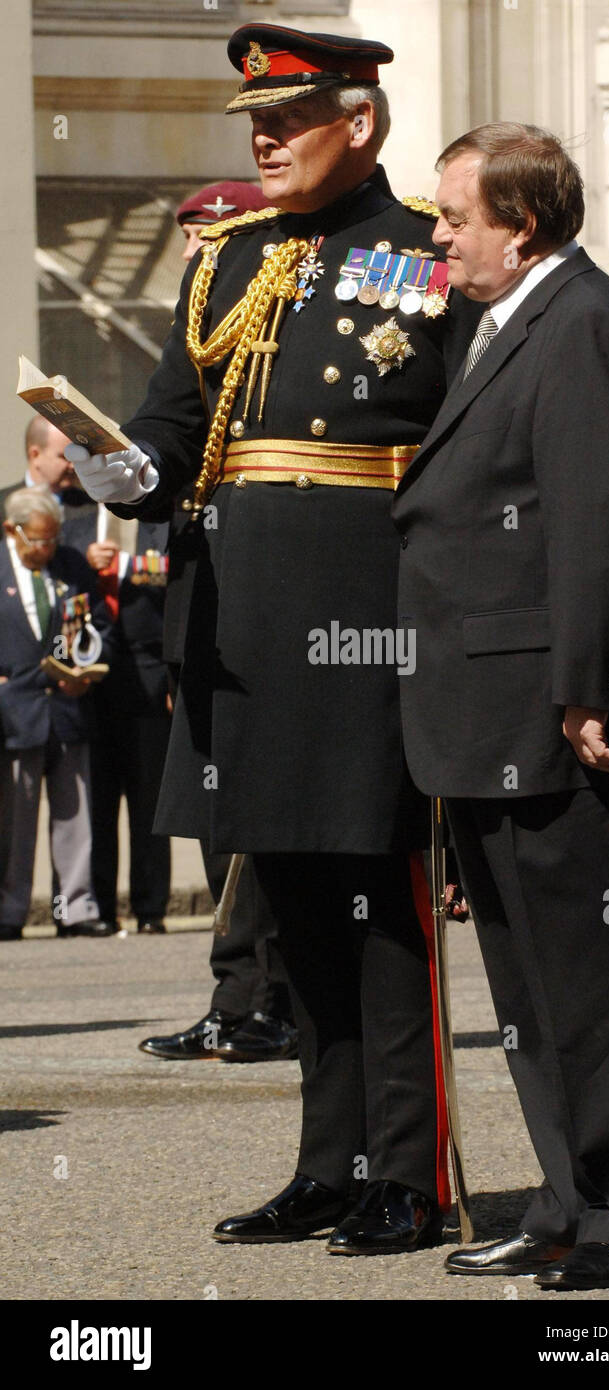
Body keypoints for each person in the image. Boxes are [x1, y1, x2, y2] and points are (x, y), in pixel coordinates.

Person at [65, 23, 478, 1254]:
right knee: (297, 909)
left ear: (358, 122)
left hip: (365, 615)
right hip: (240, 617)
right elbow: (172, 427)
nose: (263, 136)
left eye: (289, 118)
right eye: (255, 118)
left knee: (385, 904)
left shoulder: (426, 253)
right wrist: (126, 466)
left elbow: (463, 450)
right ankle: (329, 1164)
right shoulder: (229, 258)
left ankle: (411, 1172)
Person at [393, 123, 609, 1289]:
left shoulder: (589, 328)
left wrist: (585, 689)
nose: (436, 236)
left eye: (455, 218)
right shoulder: (512, 322)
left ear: (520, 226)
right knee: (528, 988)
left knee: (594, 985)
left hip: (562, 719)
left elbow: (597, 525)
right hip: (491, 713)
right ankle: (567, 1199)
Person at [139, 176, 298, 1058]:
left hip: (265, 605)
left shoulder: (268, 340)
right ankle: (236, 995)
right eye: (193, 239)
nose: (200, 252)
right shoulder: (197, 340)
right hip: (201, 606)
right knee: (215, 820)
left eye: (215, 236)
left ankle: (268, 998)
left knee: (256, 831)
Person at [0, 487, 113, 940]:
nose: (47, 549)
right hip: (15, 712)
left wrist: (84, 667)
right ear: (13, 531)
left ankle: (75, 909)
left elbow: (98, 624)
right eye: (39, 542)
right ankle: (10, 912)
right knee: (15, 822)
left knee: (74, 816)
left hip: (67, 707)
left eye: (52, 540)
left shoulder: (69, 565)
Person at [85, 514, 172, 935]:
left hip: (149, 677)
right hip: (90, 683)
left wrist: (127, 566)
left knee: (149, 801)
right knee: (99, 805)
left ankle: (151, 908)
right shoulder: (77, 523)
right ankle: (99, 908)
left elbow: (175, 591)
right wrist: (88, 563)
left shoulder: (158, 525)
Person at [0, 417, 97, 553]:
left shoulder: (91, 507)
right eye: (65, 457)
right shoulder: (3, 506)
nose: (73, 465)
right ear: (35, 455)